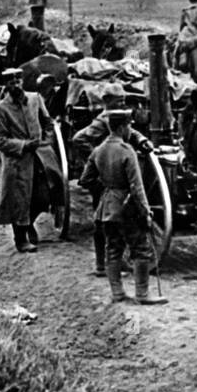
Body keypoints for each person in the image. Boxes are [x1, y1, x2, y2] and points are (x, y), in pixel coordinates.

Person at [79, 109, 167, 304]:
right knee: (141, 248)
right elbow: (137, 186)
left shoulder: (98, 150)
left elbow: (85, 180)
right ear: (121, 127)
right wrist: (146, 211)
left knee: (113, 249)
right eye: (129, 125)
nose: (130, 129)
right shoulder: (127, 151)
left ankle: (117, 293)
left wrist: (107, 191)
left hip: (107, 208)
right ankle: (142, 294)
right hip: (128, 209)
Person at [71, 82, 153, 275]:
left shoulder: (118, 118)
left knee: (116, 223)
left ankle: (112, 262)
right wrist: (98, 157)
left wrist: (142, 140)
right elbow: (78, 139)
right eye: (119, 101)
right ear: (108, 101)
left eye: (124, 100)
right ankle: (102, 265)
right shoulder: (102, 121)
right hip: (104, 179)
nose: (123, 103)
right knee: (101, 224)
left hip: (116, 177)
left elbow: (129, 131)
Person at [0, 69, 64, 253]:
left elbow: (48, 123)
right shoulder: (1, 109)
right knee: (19, 199)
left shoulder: (35, 99)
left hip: (40, 157)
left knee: (44, 196)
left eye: (17, 80)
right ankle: (21, 239)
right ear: (6, 86)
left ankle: (29, 223)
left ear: (22, 80)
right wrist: (23, 145)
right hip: (17, 160)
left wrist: (46, 142)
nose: (15, 84)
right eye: (10, 82)